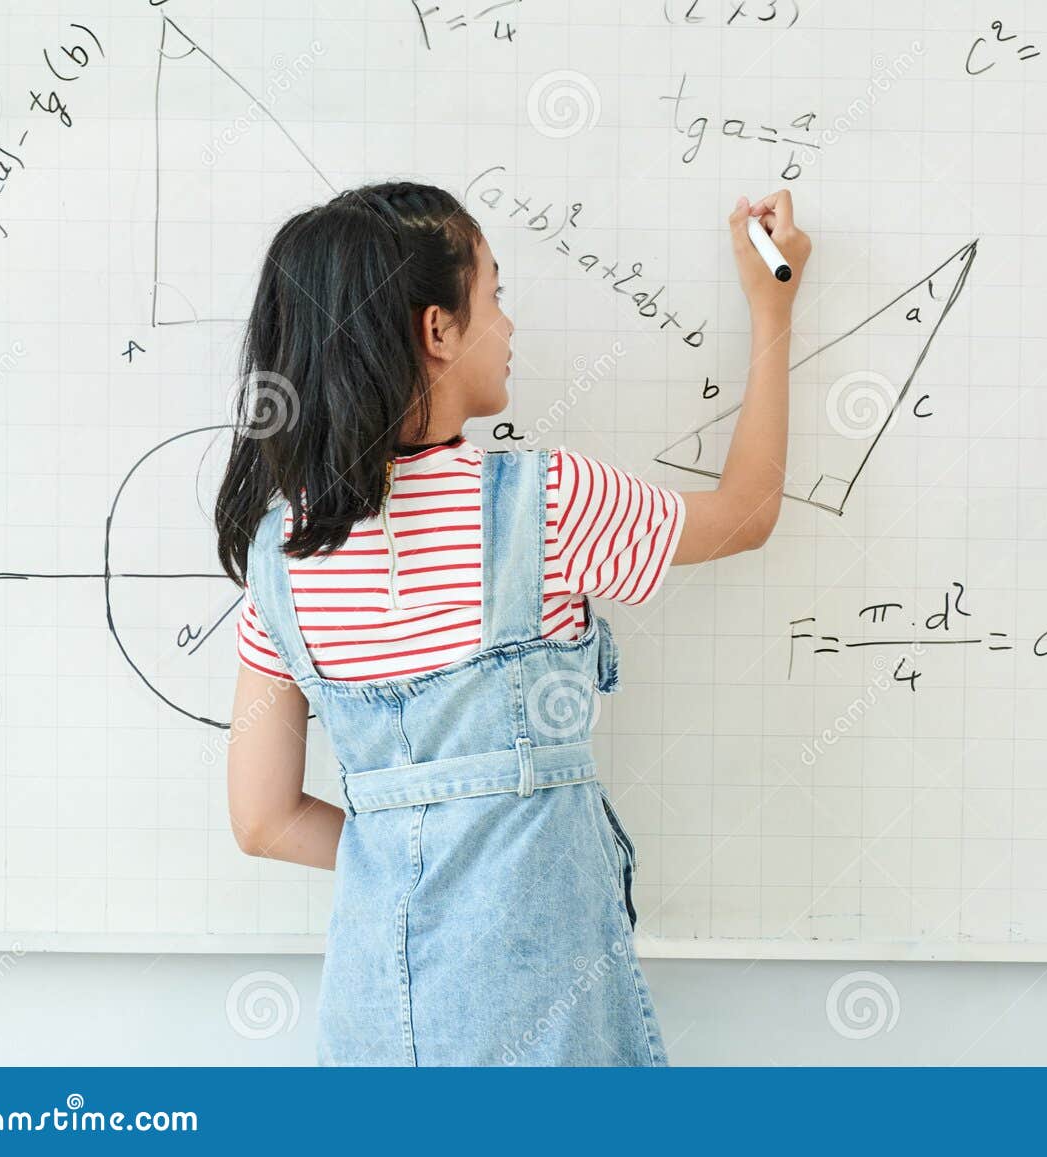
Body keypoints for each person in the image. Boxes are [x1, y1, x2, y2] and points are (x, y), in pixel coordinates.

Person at [213, 180, 810, 1065]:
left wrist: (410, 844)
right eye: (495, 293)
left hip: (375, 1023)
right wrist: (773, 308)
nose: (510, 322)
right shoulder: (546, 503)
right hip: (543, 1021)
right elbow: (749, 511)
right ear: (437, 329)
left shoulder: (285, 555)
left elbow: (263, 820)